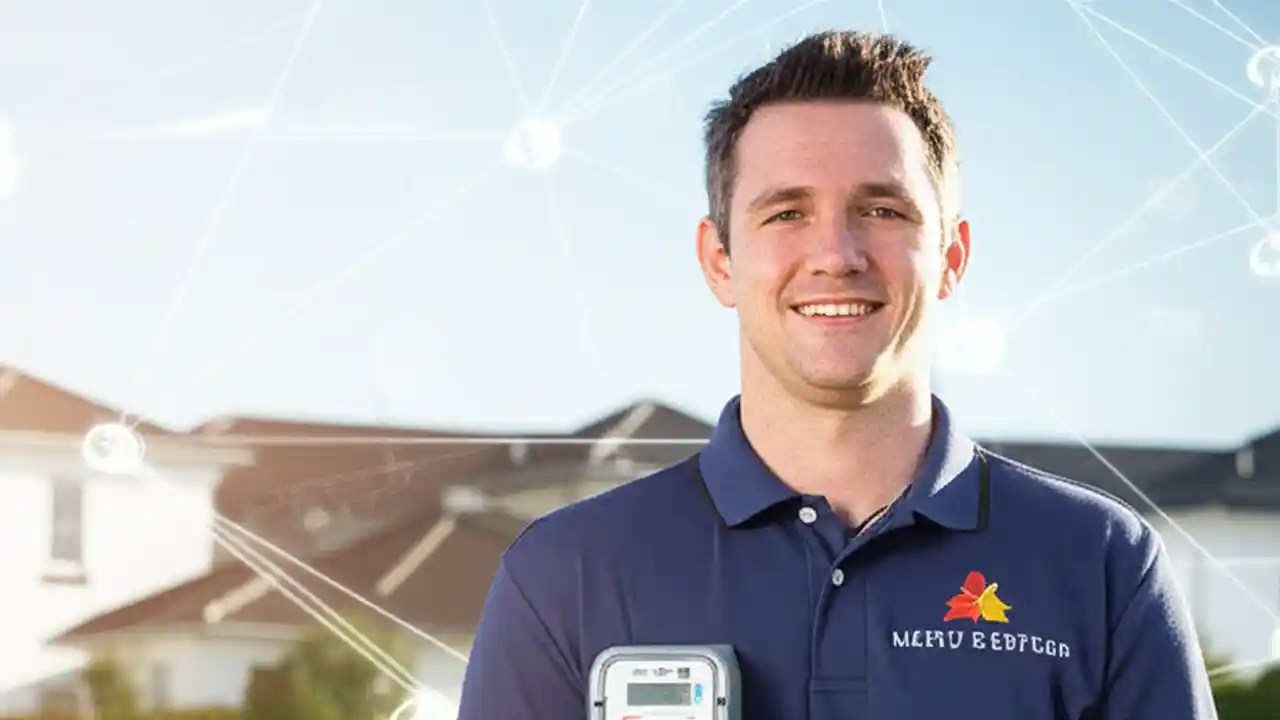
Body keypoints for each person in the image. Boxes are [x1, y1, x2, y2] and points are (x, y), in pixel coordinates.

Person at [456, 29, 1217, 719]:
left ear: (951, 257)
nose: (837, 253)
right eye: (786, 213)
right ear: (719, 261)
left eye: (882, 210)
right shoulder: (566, 575)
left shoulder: (1102, 565)